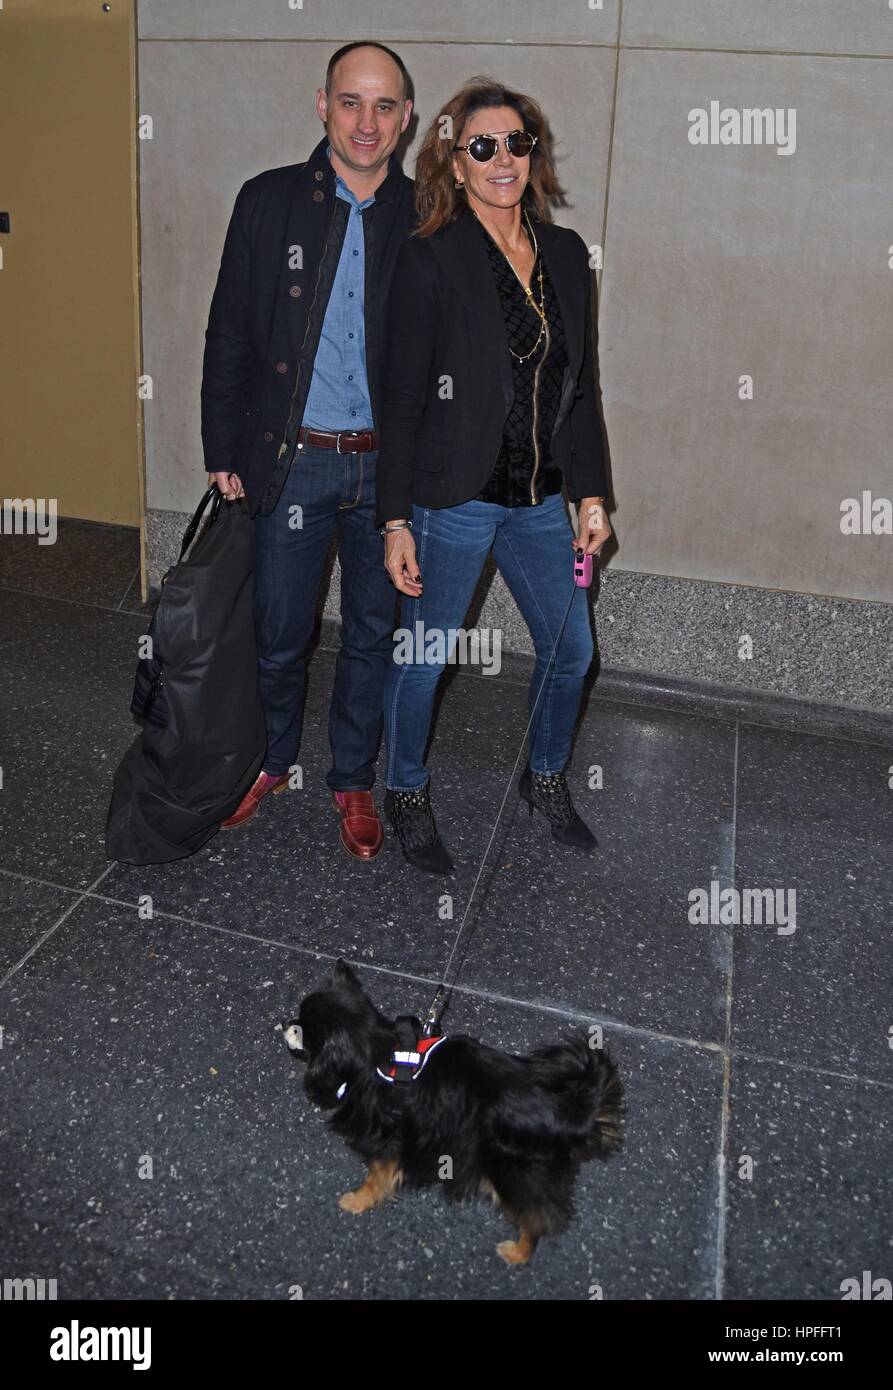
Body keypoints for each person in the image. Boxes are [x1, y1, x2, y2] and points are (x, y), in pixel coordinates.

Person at [375, 78, 613, 874]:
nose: (501, 158)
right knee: (426, 656)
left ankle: (543, 776)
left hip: (542, 501)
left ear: (532, 154)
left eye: (516, 143)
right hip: (456, 500)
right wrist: (395, 518)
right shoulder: (430, 258)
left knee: (570, 651)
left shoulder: (567, 254)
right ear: (454, 159)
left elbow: (582, 387)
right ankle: (404, 790)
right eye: (482, 146)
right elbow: (402, 400)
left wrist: (589, 495)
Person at [201, 42, 415, 859]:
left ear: (405, 117)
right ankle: (272, 760)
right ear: (320, 103)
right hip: (294, 458)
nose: (367, 121)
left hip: (386, 468)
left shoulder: (428, 214)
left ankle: (352, 776)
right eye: (351, 101)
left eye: (385, 105)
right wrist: (223, 441)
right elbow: (230, 331)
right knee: (279, 628)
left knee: (373, 629)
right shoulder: (267, 201)